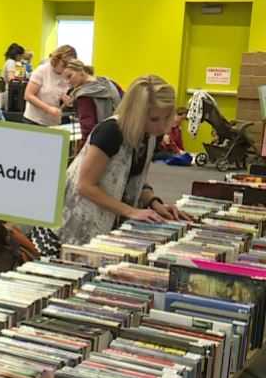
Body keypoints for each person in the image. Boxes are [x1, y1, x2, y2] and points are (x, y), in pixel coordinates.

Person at [32, 75, 188, 256]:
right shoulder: (111, 132)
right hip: (70, 230)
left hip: (105, 229)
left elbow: (134, 180)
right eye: (154, 119)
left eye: (165, 118)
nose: (161, 126)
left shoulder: (149, 135)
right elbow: (85, 186)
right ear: (136, 113)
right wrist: (131, 211)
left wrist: (154, 202)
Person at [62, 59, 122, 147]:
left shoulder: (84, 96)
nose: (68, 82)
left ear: (80, 71)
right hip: (121, 135)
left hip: (100, 144)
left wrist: (82, 149)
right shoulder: (110, 83)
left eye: (69, 76)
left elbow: (88, 128)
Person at [23, 44, 76, 126]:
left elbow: (60, 93)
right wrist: (48, 109)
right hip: (34, 121)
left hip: (53, 123)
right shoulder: (42, 70)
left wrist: (65, 99)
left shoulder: (66, 75)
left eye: (69, 65)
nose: (66, 68)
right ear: (57, 59)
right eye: (64, 64)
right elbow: (28, 95)